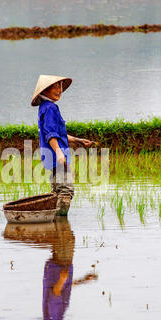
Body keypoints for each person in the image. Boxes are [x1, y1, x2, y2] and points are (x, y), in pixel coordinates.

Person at [31, 75, 94, 216]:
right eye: (55, 86)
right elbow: (51, 135)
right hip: (56, 157)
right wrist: (59, 153)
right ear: (46, 90)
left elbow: (58, 134)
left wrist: (79, 140)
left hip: (52, 158)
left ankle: (52, 223)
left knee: (57, 191)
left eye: (60, 86)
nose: (59, 90)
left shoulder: (45, 107)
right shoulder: (51, 108)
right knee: (66, 190)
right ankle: (60, 223)